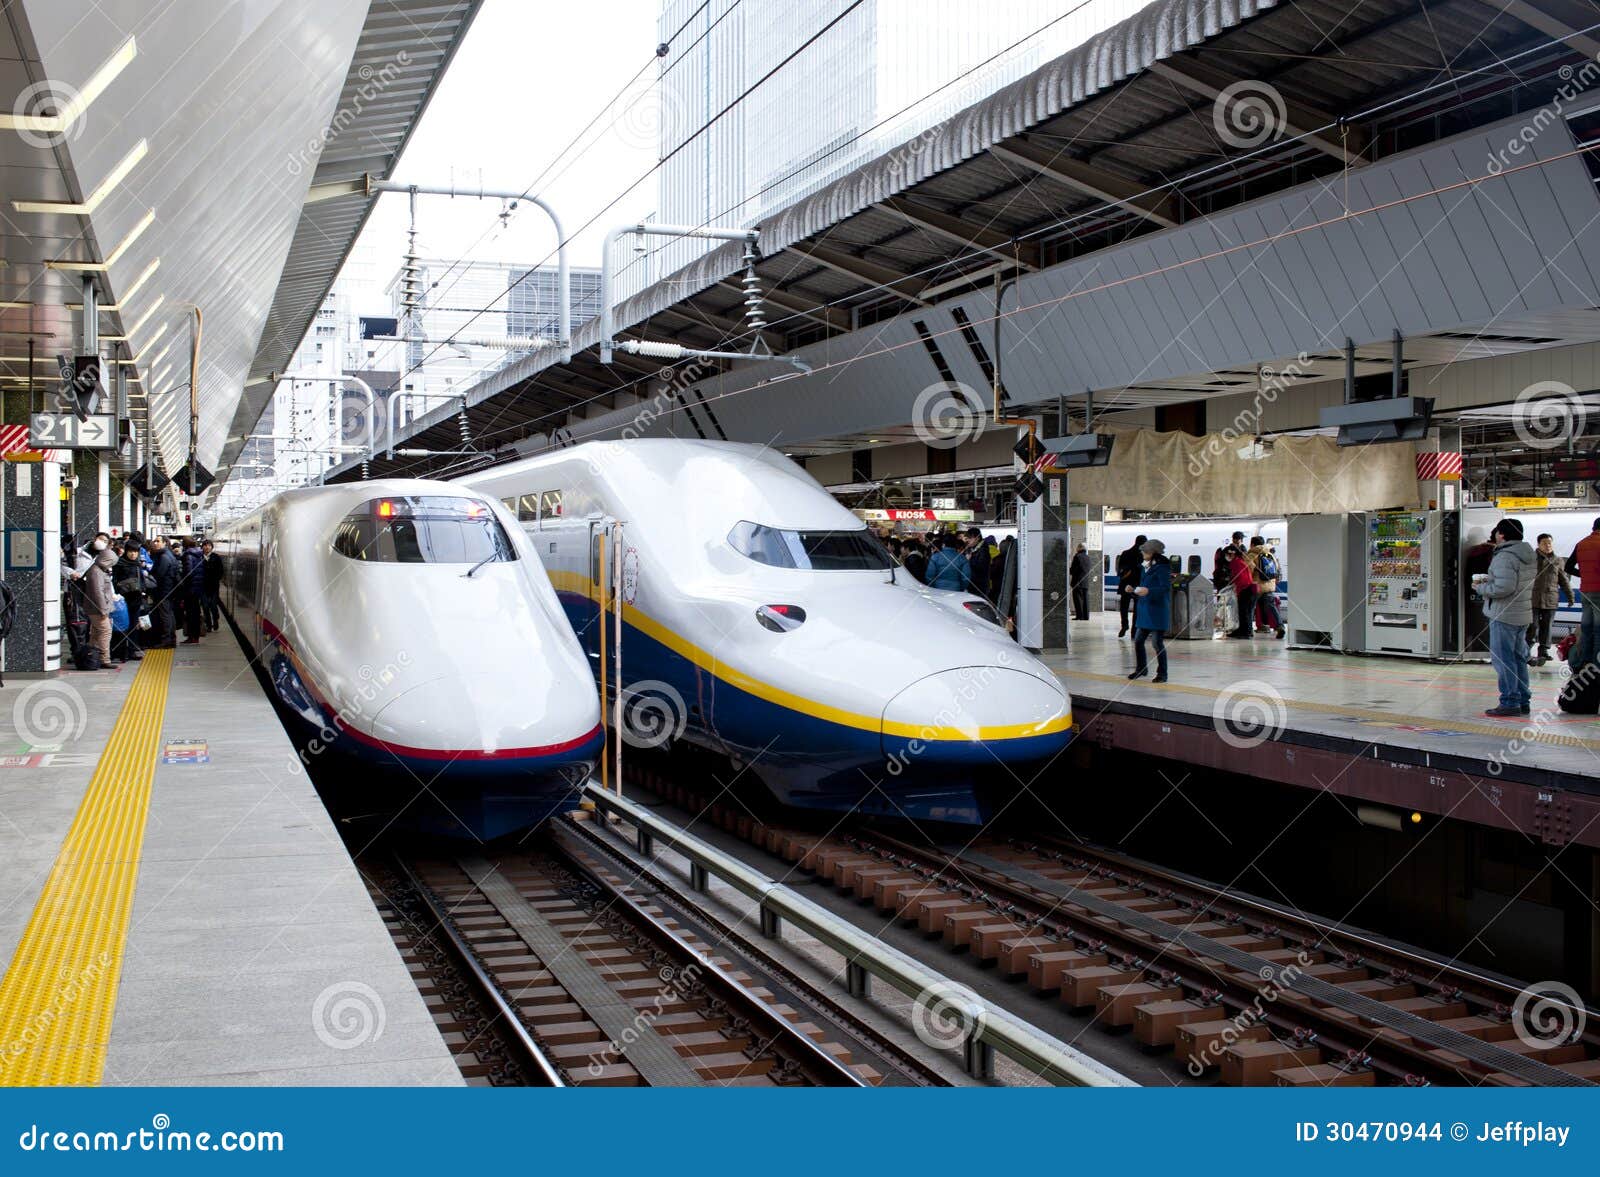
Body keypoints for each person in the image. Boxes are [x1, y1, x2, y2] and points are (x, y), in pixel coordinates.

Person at [1478, 518, 1535, 717]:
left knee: (1504, 660)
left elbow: (1504, 587)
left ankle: (1510, 702)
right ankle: (1523, 700)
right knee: (1519, 658)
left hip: (1504, 614)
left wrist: (1481, 588)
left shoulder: (1504, 556)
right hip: (1522, 614)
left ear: (1501, 534)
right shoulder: (1528, 554)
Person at [1126, 538, 1172, 683]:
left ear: (1152, 552)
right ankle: (1141, 668)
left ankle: (1162, 674)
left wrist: (1149, 591)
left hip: (1157, 611)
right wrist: (1133, 590)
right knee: (1138, 641)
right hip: (1145, 610)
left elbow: (1165, 588)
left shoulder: (1162, 568)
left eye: (1144, 550)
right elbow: (1143, 587)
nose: (1142, 553)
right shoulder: (1145, 567)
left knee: (1157, 643)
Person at [1528, 533, 1570, 667]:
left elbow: (1563, 580)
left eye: (1550, 543)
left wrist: (1570, 596)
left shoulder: (1558, 560)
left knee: (1547, 626)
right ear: (1538, 544)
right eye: (1545, 543)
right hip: (1532, 599)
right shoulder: (1531, 559)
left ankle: (1544, 651)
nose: (1548, 545)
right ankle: (1526, 649)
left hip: (1551, 599)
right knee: (1532, 626)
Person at [1566, 517, 1600, 667]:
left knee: (1586, 627)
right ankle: (1596, 661)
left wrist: (1584, 575)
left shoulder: (1581, 543)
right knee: (1599, 629)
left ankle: (1583, 660)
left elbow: (1568, 567)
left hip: (1585, 591)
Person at [81, 547, 118, 668]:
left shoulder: (97, 570)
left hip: (95, 608)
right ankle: (104, 659)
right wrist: (103, 609)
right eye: (111, 562)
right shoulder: (96, 572)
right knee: (105, 631)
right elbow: (98, 592)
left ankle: (91, 657)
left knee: (96, 633)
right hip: (97, 609)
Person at [112, 540, 146, 663]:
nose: (133, 554)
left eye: (135, 552)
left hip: (136, 599)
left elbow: (141, 580)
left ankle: (131, 650)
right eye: (131, 551)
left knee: (133, 625)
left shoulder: (137, 564)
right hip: (122, 600)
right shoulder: (119, 564)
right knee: (121, 626)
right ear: (126, 551)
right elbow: (114, 581)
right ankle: (119, 651)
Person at [1246, 536, 1286, 639]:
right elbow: (1276, 569)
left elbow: (1248, 571)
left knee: (1250, 608)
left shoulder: (1252, 555)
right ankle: (1280, 626)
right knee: (1272, 607)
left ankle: (1248, 630)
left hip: (1257, 586)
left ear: (1253, 544)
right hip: (1269, 585)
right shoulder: (1270, 554)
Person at [146, 535, 181, 649]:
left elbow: (158, 575)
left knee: (165, 615)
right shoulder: (167, 555)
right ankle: (171, 639)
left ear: (165, 543)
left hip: (163, 591)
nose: (155, 543)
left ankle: (166, 640)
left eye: (158, 541)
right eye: (154, 541)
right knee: (169, 614)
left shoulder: (164, 557)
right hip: (169, 590)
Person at [1115, 534, 1146, 637]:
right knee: (1137, 608)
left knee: (1124, 606)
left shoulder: (1125, 553)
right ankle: (1134, 630)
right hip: (1137, 585)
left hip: (1125, 584)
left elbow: (1119, 569)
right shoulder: (1143, 555)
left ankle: (1124, 625)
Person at [180, 537, 206, 643]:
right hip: (198, 588)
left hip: (190, 589)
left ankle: (192, 636)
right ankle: (195, 636)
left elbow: (188, 573)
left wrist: (181, 578)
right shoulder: (200, 554)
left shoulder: (188, 555)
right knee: (195, 612)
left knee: (191, 613)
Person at [1227, 544, 1256, 638]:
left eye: (1229, 554)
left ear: (1233, 554)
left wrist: (1235, 587)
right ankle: (1241, 630)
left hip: (1246, 589)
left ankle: (1246, 633)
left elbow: (1241, 579)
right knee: (1243, 611)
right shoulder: (1240, 561)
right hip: (1250, 589)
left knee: (1244, 612)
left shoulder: (1236, 563)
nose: (1227, 556)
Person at [201, 539, 224, 631]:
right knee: (205, 606)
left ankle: (215, 620)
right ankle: (209, 625)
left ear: (212, 547)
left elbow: (221, 571)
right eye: (205, 545)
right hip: (203, 586)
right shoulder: (199, 557)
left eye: (209, 545)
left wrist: (216, 578)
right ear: (202, 547)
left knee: (213, 606)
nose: (207, 547)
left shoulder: (216, 557)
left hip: (214, 586)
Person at [964, 528, 991, 601]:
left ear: (977, 538)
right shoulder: (974, 549)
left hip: (979, 586)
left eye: (970, 538)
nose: (968, 540)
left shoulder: (983, 551)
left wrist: (969, 561)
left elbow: (981, 567)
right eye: (967, 538)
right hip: (975, 584)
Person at [1069, 543, 1091, 620]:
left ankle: (1079, 616)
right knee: (1085, 600)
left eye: (1077, 547)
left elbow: (1073, 570)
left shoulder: (1077, 556)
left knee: (1078, 600)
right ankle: (1086, 616)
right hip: (1085, 582)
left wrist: (1069, 570)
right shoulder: (1088, 557)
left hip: (1077, 582)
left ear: (1079, 548)